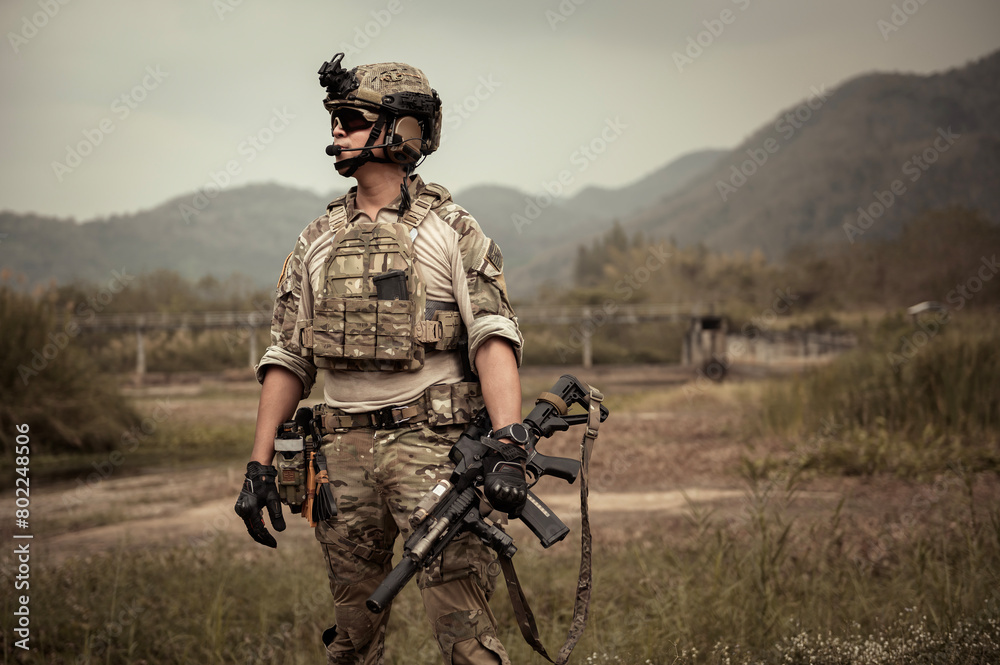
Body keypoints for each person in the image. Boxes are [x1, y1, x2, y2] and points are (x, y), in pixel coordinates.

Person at [234, 53, 527, 665]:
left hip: (435, 449)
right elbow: (287, 356)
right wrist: (258, 466)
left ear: (402, 130)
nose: (336, 131)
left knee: (466, 636)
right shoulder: (316, 240)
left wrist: (507, 441)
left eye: (352, 120)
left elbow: (493, 335)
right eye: (334, 120)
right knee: (352, 639)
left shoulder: (452, 229)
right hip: (340, 455)